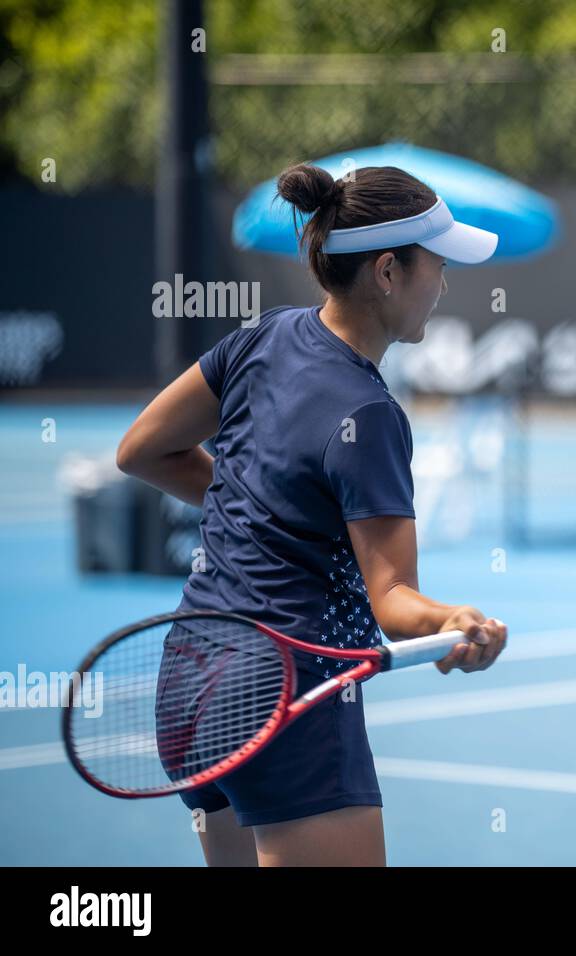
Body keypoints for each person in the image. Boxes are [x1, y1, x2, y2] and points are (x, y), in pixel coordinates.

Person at [116, 163, 508, 866]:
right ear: (388, 273)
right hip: (287, 693)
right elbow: (393, 602)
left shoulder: (262, 339)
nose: (444, 285)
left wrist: (262, 512)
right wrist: (453, 620)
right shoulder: (371, 414)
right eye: (437, 266)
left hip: (193, 684)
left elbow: (142, 449)